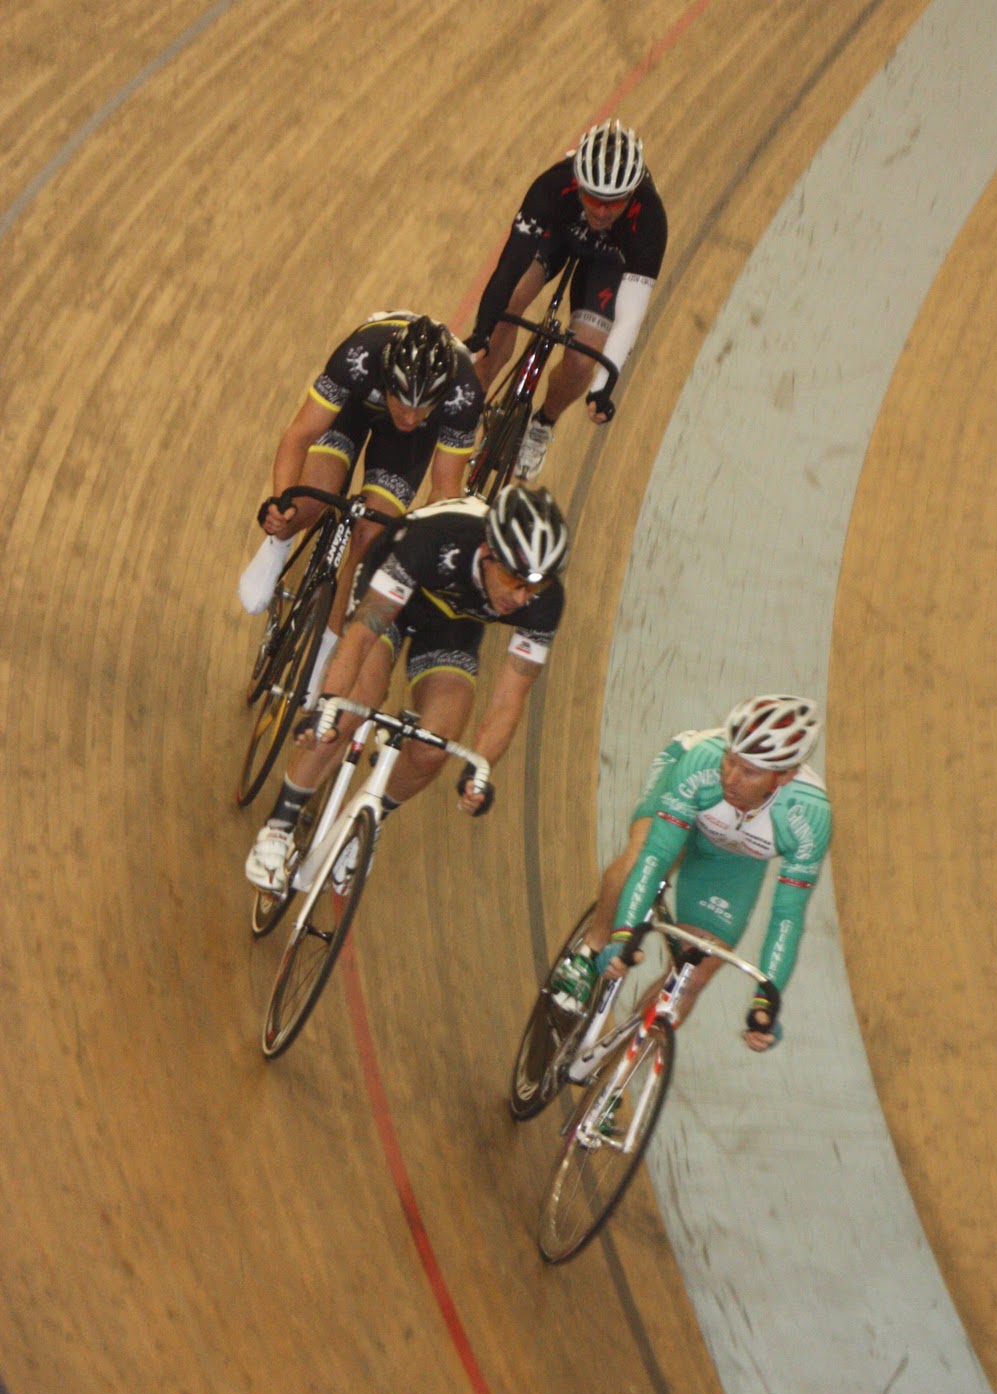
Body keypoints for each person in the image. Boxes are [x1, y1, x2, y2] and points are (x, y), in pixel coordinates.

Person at [245, 484, 570, 894]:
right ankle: (278, 827)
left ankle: (369, 818)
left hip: (453, 626)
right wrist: (328, 702)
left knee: (434, 745)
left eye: (534, 588)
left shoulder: (545, 603)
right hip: (390, 599)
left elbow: (509, 698)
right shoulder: (434, 540)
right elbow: (364, 634)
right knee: (351, 709)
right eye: (512, 579)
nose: (520, 597)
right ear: (487, 551)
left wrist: (480, 769)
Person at [550, 697, 832, 1052]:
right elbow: (657, 856)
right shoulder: (703, 760)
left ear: (785, 776)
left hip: (733, 856)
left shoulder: (808, 817)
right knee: (638, 857)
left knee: (694, 972)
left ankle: (618, 1065)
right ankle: (588, 954)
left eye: (750, 772)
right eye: (730, 759)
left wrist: (766, 1001)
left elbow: (787, 917)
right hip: (683, 795)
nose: (731, 778)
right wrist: (624, 933)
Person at [238, 312, 482, 699]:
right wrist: (281, 501)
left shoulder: (462, 394)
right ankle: (278, 545)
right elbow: (300, 435)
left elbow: (444, 492)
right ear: (386, 379)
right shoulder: (359, 356)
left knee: (371, 537)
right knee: (313, 495)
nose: (409, 416)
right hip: (354, 410)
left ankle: (325, 653)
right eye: (402, 402)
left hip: (407, 449)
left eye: (422, 409)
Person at [464, 119, 668, 481]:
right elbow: (510, 265)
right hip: (558, 235)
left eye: (614, 202)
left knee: (580, 358)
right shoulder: (553, 184)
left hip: (609, 261)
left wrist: (604, 386)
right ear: (579, 183)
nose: (602, 212)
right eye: (593, 198)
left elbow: (630, 316)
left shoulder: (650, 218)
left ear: (632, 194)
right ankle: (467, 415)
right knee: (505, 310)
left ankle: (543, 424)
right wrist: (482, 329)